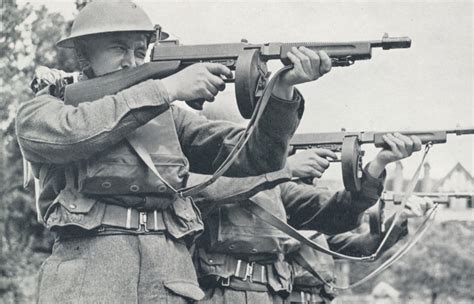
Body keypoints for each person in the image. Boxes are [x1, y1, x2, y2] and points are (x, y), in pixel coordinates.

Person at [16, 0, 333, 302]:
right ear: (84, 56)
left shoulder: (169, 118)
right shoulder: (45, 110)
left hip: (168, 281)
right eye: (118, 48)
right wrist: (168, 89)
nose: (132, 61)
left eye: (140, 51)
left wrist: (283, 88)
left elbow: (257, 155)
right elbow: (75, 133)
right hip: (90, 278)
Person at [189, 134, 422, 304]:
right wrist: (284, 170)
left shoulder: (280, 190)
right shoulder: (196, 180)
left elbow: (336, 211)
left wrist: (377, 165)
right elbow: (205, 192)